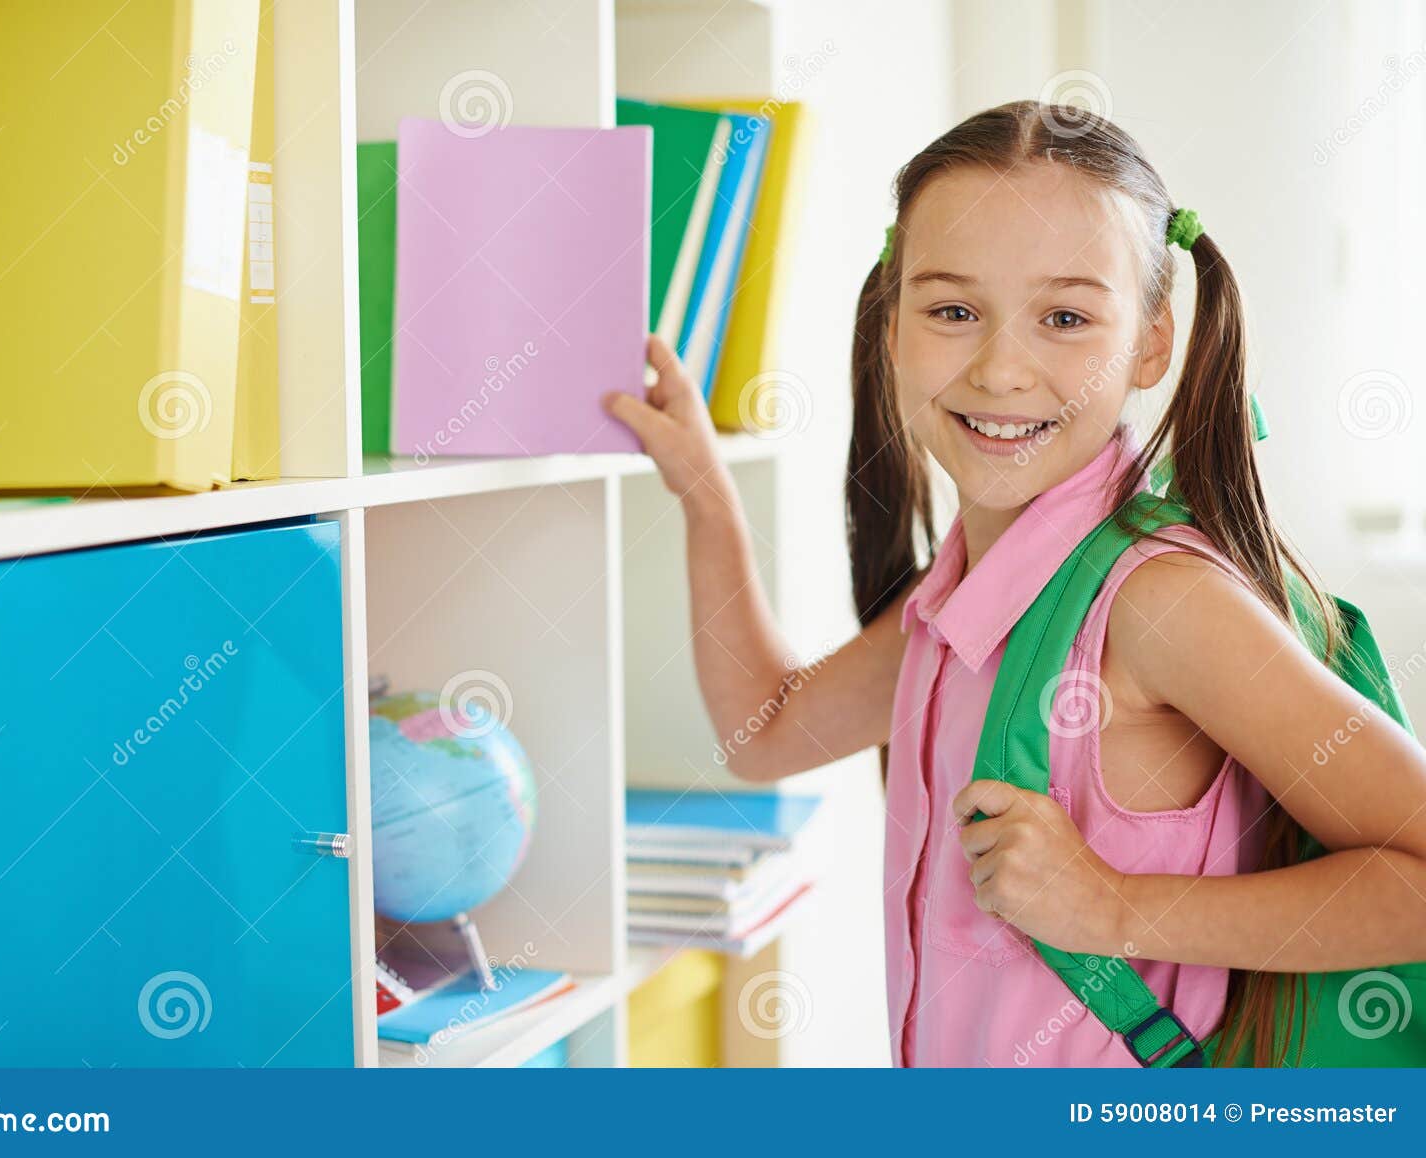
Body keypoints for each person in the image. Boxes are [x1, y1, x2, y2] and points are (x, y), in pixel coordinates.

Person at [602, 100, 1426, 1067]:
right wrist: (707, 494)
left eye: (1067, 318)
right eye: (953, 311)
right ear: (892, 327)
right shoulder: (961, 604)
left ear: (1151, 345)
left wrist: (1110, 907)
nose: (1000, 369)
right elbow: (768, 731)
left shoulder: (1156, 603)